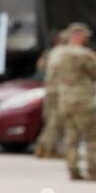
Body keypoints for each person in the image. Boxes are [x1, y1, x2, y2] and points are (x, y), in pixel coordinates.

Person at [48, 21, 96, 180]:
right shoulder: (85, 54)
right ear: (78, 35)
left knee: (71, 136)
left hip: (64, 100)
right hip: (83, 100)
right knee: (93, 136)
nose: (86, 39)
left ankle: (73, 170)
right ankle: (94, 170)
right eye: (84, 36)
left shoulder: (57, 53)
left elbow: (51, 77)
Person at [35, 29, 68, 159]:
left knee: (51, 120)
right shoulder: (64, 53)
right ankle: (47, 149)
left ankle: (44, 148)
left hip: (50, 90)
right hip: (59, 91)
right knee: (55, 121)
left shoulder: (50, 53)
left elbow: (41, 67)